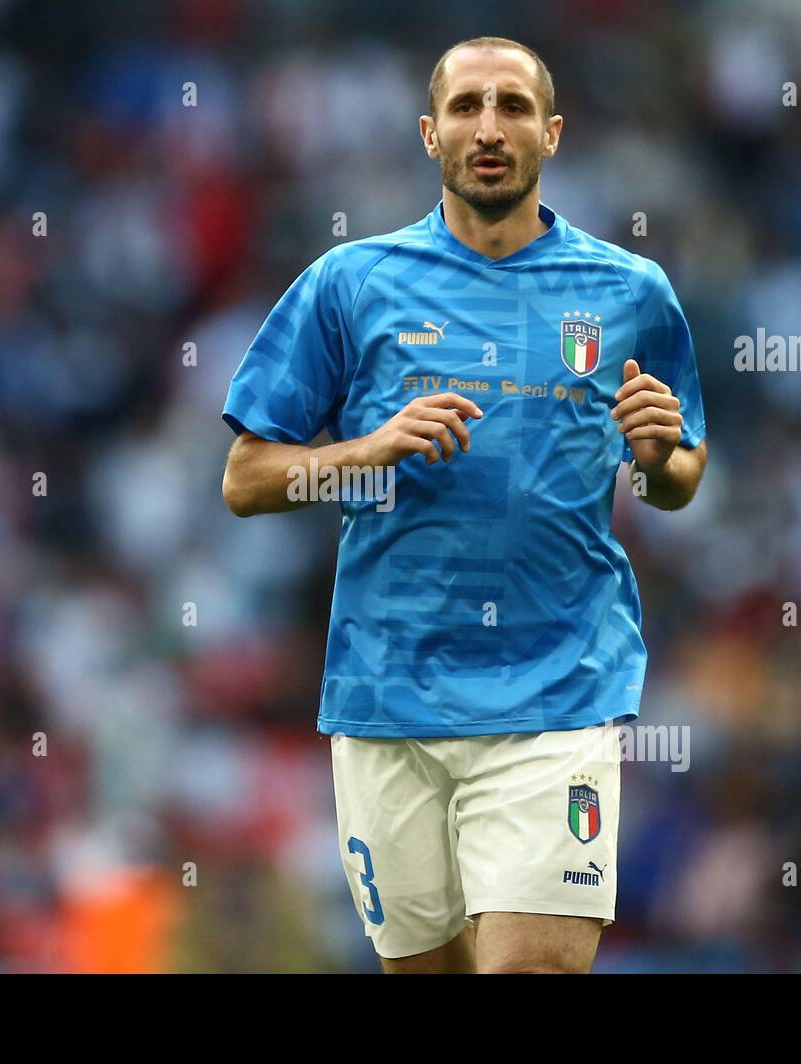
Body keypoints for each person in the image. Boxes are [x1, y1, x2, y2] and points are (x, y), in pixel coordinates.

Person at [220, 35, 707, 973]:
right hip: (386, 695)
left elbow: (677, 478)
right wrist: (365, 453)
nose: (490, 127)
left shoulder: (630, 292)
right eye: (467, 107)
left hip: (559, 694)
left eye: (514, 107)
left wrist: (655, 455)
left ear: (552, 134)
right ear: (428, 134)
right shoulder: (351, 283)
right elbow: (246, 481)